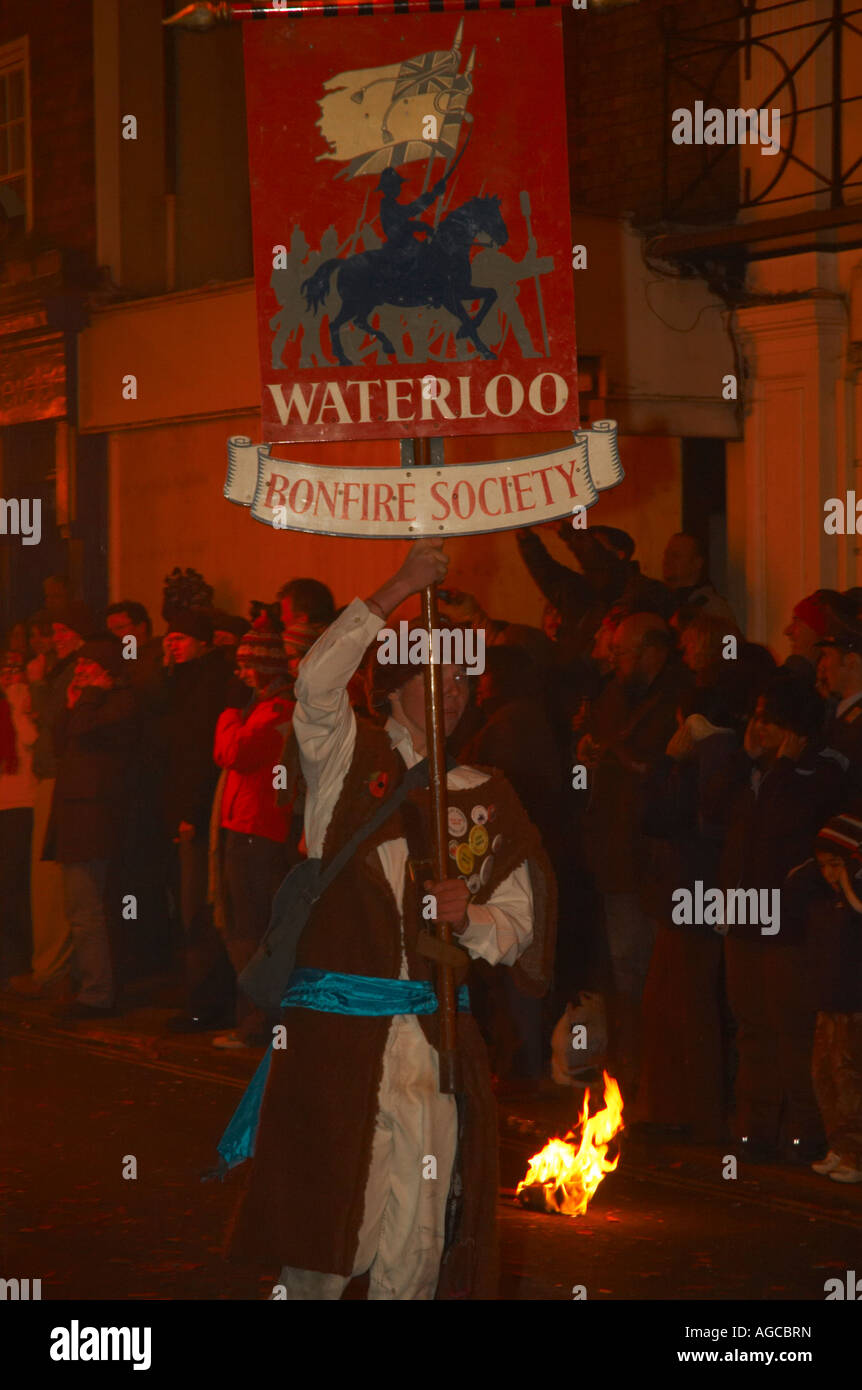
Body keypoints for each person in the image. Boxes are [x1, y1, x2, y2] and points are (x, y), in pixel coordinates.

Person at [225, 539, 554, 1300]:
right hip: (337, 1041)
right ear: (398, 687)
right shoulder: (348, 757)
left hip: (435, 1044)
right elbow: (315, 684)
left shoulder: (484, 793)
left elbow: (520, 926)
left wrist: (470, 916)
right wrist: (401, 585)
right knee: (326, 1230)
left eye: (463, 679)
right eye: (432, 678)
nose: (452, 692)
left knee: (421, 1234)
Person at [719, 672, 846, 1162]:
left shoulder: (819, 771)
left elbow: (784, 827)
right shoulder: (751, 770)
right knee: (752, 1027)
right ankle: (754, 1129)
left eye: (769, 719)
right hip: (743, 918)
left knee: (791, 1029)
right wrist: (744, 762)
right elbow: (713, 813)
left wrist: (784, 771)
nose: (759, 729)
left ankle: (802, 1133)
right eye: (755, 717)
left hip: (787, 924)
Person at [577, 612, 691, 1093]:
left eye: (621, 652)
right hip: (616, 855)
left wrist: (618, 756)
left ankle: (660, 1078)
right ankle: (631, 1073)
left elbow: (668, 771)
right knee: (625, 965)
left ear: (649, 651)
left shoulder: (679, 700)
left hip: (660, 859)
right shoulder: (613, 695)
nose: (613, 660)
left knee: (659, 971)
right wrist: (588, 751)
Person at [211, 619, 296, 1050]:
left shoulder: (278, 712)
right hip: (245, 829)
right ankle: (257, 1020)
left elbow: (234, 753)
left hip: (257, 833)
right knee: (246, 928)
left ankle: (258, 1024)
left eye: (247, 666)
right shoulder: (265, 708)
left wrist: (227, 715)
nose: (241, 674)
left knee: (250, 930)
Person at [43, 637, 138, 1020]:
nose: (79, 674)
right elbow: (60, 742)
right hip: (76, 817)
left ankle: (97, 992)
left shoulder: (120, 705)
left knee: (89, 910)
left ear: (107, 672)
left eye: (87, 668)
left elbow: (83, 731)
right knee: (81, 908)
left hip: (93, 820)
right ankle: (91, 984)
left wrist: (84, 700)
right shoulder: (92, 703)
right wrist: (74, 703)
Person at [158, 609, 242, 1033]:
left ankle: (206, 1004)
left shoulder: (207, 684)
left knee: (200, 910)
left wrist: (189, 812)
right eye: (169, 637)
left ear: (205, 643)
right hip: (188, 811)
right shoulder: (182, 681)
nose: (172, 644)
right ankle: (202, 998)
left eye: (182, 637)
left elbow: (196, 755)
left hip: (202, 812)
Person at [10, 602, 97, 1000]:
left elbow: (55, 721)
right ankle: (54, 968)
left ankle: (53, 970)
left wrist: (39, 685)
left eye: (61, 632)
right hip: (53, 779)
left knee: (50, 884)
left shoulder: (69, 673)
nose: (53, 641)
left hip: (60, 781)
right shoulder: (64, 670)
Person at [797, 814, 862, 1184]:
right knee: (824, 1076)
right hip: (828, 1002)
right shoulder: (822, 903)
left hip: (853, 1007)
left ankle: (856, 1151)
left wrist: (850, 880)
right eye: (824, 866)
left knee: (850, 1079)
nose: (829, 874)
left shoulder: (853, 906)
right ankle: (839, 1144)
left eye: (836, 865)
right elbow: (795, 884)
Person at [0, 652, 38, 985]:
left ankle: (19, 961)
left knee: (16, 886)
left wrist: (15, 707)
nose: (10, 677)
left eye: (15, 669)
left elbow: (31, 740)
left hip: (20, 803)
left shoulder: (27, 701)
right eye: (5, 671)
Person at [662, 532, 735, 623]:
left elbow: (728, 637)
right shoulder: (658, 601)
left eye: (676, 556)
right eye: (666, 554)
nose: (667, 560)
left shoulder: (714, 609)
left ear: (697, 563)